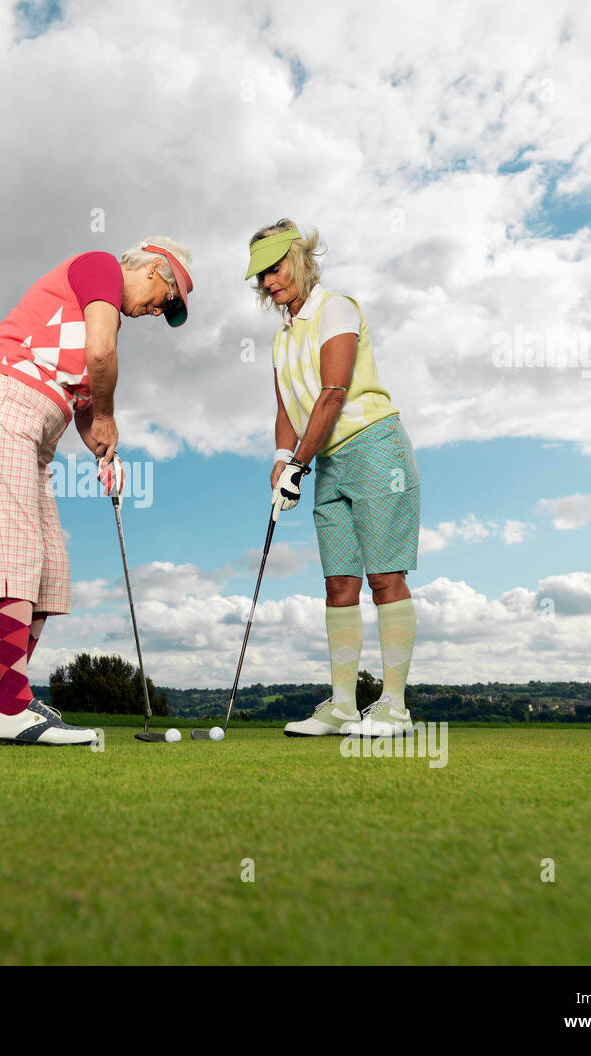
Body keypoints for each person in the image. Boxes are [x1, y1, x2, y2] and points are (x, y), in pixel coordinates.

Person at [0, 238, 194, 745]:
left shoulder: (101, 319)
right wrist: (107, 415)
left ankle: (5, 703)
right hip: (2, 396)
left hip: (38, 426)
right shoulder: (100, 267)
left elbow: (87, 409)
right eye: (167, 299)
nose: (160, 311)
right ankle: (13, 709)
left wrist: (105, 453)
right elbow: (101, 357)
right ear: (154, 268)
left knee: (51, 567)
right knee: (16, 547)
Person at [244, 219, 421, 737]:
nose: (268, 283)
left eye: (274, 269)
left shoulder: (335, 308)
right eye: (260, 277)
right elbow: (285, 407)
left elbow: (333, 395)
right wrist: (282, 457)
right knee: (339, 583)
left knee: (385, 576)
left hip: (373, 446)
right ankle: (344, 705)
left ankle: (394, 707)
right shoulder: (281, 338)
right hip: (325, 458)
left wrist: (298, 463)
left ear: (298, 260)